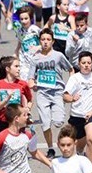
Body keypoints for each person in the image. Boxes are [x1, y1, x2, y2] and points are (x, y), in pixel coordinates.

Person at [30, 28, 74, 159]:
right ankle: (50, 148)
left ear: (53, 41)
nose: (45, 42)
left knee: (59, 122)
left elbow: (71, 69)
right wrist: (32, 83)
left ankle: (63, 141)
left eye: (48, 40)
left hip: (57, 92)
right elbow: (30, 78)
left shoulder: (58, 56)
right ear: (40, 41)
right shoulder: (35, 58)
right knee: (45, 123)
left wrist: (70, 86)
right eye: (43, 39)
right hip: (42, 93)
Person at [63, 51, 92, 163]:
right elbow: (65, 96)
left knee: (91, 139)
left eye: (89, 62)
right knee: (79, 143)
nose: (86, 65)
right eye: (84, 63)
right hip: (77, 115)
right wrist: (72, 98)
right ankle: (79, 151)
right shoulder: (75, 78)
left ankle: (89, 169)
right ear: (79, 64)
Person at [0, 55, 32, 133]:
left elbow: (30, 100)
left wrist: (27, 109)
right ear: (7, 69)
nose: (19, 69)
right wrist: (6, 100)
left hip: (18, 121)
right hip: (3, 121)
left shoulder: (23, 84)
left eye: (19, 66)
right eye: (16, 66)